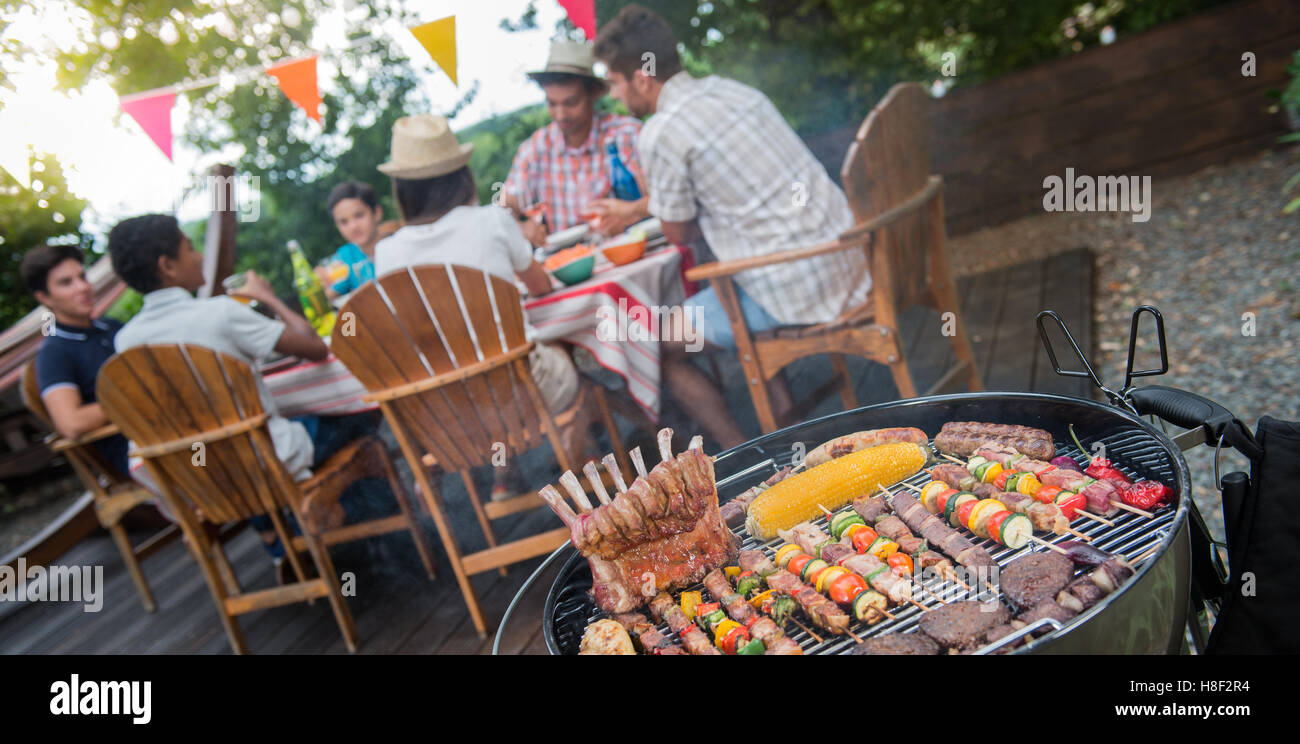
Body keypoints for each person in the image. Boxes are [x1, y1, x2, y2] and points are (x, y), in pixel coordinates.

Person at [594, 5, 873, 448]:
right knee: (730, 289)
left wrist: (643, 201)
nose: (613, 95)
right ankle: (782, 424)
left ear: (641, 78)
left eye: (613, 82)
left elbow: (679, 232)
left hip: (792, 288)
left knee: (655, 343)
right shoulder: (736, 92)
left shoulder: (661, 131)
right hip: (850, 259)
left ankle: (748, 456)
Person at [106, 214, 360, 581]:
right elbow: (316, 349)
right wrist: (266, 297)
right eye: (189, 248)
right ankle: (347, 535)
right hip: (266, 464)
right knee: (354, 417)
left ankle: (284, 545)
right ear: (168, 266)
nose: (198, 258)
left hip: (203, 478)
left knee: (241, 447)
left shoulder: (125, 342)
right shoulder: (220, 312)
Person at [374, 114, 583, 499]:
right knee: (571, 350)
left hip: (451, 417)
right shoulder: (491, 221)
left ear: (401, 190)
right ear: (461, 176)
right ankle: (585, 485)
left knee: (483, 370)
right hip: (526, 397)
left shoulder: (386, 253)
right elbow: (539, 285)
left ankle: (508, 481)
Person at [503, 39, 649, 245]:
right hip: (567, 262)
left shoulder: (627, 134)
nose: (561, 115)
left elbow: (662, 198)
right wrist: (520, 227)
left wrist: (630, 217)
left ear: (593, 94)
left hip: (629, 249)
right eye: (552, 104)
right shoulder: (535, 148)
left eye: (571, 103)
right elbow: (502, 199)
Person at [21, 243, 130, 478]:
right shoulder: (54, 352)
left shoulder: (111, 328)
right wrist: (134, 398)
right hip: (134, 453)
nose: (82, 287)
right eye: (66, 283)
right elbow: (71, 423)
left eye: (82, 277)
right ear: (44, 297)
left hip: (168, 428)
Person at [314, 180, 382, 302]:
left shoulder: (396, 246)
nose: (353, 226)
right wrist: (319, 286)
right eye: (344, 222)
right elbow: (326, 297)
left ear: (376, 213)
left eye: (359, 215)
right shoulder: (345, 257)